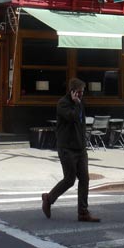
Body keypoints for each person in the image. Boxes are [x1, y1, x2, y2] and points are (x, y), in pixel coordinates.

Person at [41, 77, 100, 222]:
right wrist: (76, 104)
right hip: (67, 148)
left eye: (82, 92)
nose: (81, 95)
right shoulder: (63, 104)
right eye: (79, 92)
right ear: (72, 92)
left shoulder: (80, 103)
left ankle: (83, 212)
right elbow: (72, 117)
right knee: (69, 179)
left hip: (80, 147)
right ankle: (48, 198)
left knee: (84, 179)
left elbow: (81, 124)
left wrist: (84, 143)